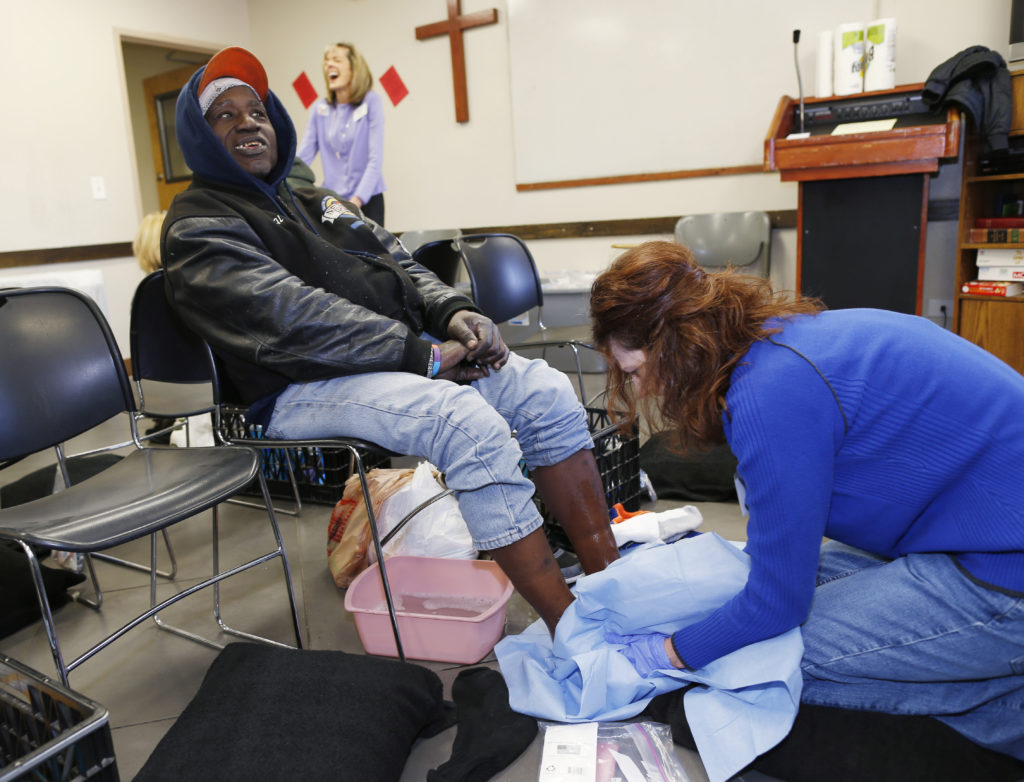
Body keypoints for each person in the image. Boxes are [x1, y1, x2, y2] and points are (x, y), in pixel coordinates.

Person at [160, 46, 619, 633]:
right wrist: (420, 354)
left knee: (543, 389)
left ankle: (610, 583)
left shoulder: (316, 201)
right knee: (463, 422)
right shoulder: (199, 223)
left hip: (392, 361)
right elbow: (294, 319)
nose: (247, 121)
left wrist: (455, 315)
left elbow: (401, 264)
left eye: (255, 109)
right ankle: (571, 626)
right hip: (295, 389)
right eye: (224, 114)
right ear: (198, 137)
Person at [588, 240, 1024, 762]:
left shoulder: (766, 395)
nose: (641, 391)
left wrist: (671, 653)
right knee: (799, 583)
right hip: (981, 538)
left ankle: (1000, 710)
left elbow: (777, 604)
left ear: (672, 345)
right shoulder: (782, 342)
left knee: (760, 657)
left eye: (634, 372)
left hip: (1001, 575)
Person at [297, 42, 386, 226]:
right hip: (333, 201)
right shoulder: (319, 109)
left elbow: (375, 159)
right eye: (327, 61)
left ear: (354, 69)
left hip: (367, 199)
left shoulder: (371, 102)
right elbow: (302, 157)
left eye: (336, 60)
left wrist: (356, 201)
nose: (329, 65)